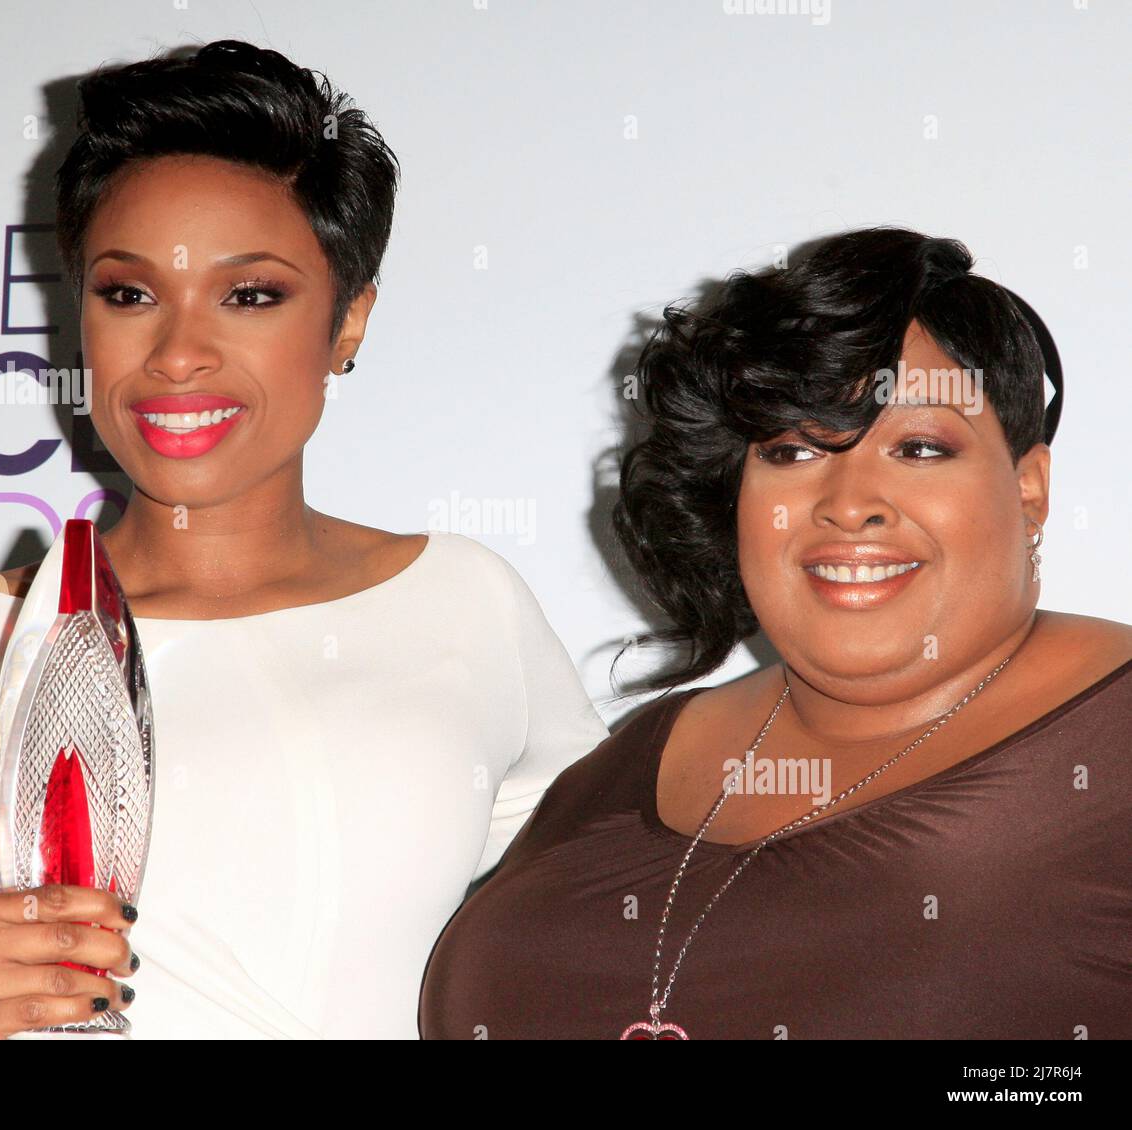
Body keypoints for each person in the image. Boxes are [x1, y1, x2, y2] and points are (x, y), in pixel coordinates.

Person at [0, 39, 607, 1040]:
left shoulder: (465, 601)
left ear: (348, 321)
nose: (179, 354)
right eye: (128, 293)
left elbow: (619, 942)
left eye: (250, 296)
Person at [419, 227, 1132, 1040]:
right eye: (792, 450)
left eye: (920, 447)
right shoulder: (630, 760)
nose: (850, 500)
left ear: (1030, 487)